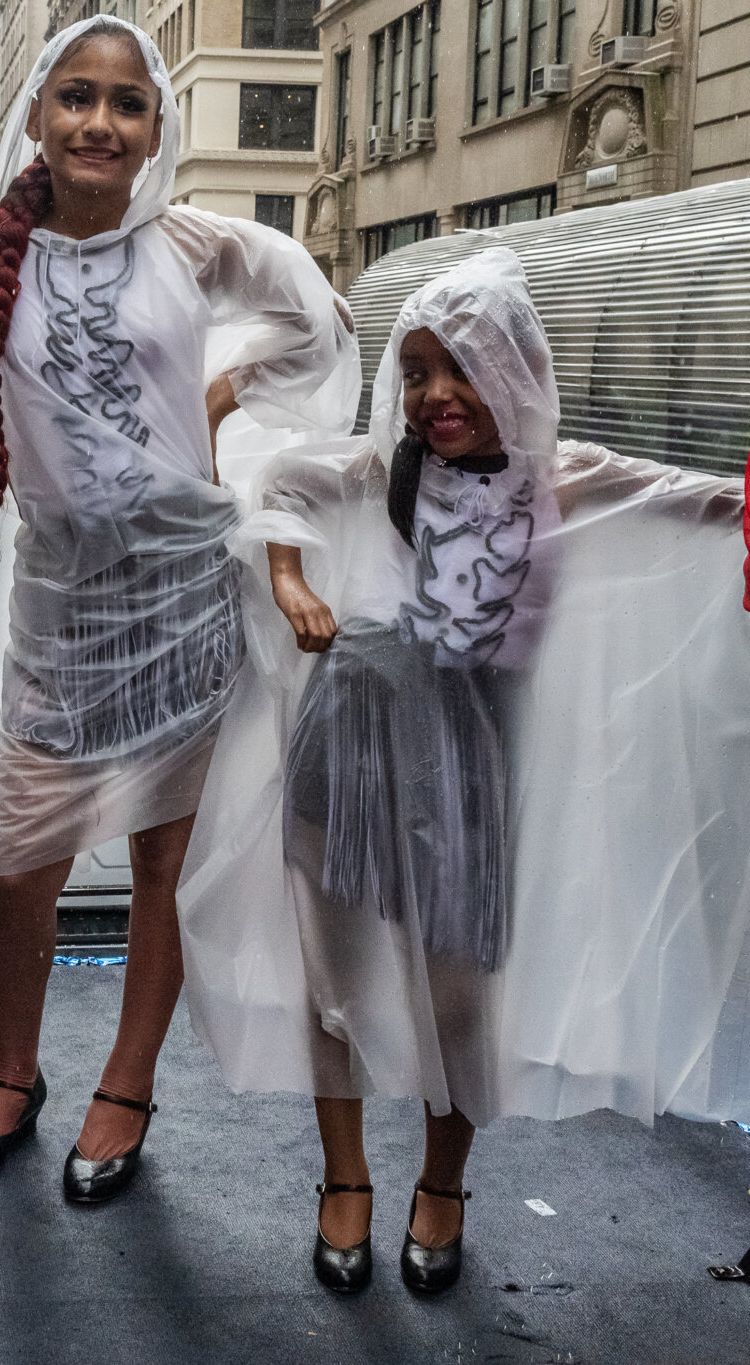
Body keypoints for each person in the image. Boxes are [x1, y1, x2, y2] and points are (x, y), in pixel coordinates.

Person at [178, 247, 750, 1295]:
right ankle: (341, 1178)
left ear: (515, 373)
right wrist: (292, 581)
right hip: (348, 730)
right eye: (416, 373)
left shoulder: (564, 478)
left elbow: (700, 503)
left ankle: (442, 1183)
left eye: (462, 369)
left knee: (457, 996)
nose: (436, 396)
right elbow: (283, 480)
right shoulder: (377, 469)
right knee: (331, 969)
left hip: (469, 763)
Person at [0, 16, 357, 1200]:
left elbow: (320, 325)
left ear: (156, 127)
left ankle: (124, 1085)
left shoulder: (200, 245)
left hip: (180, 604)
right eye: (74, 98)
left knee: (162, 860)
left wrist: (218, 393)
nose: (98, 122)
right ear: (36, 117)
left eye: (124, 102)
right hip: (59, 605)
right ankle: (12, 1075)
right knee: (17, 867)